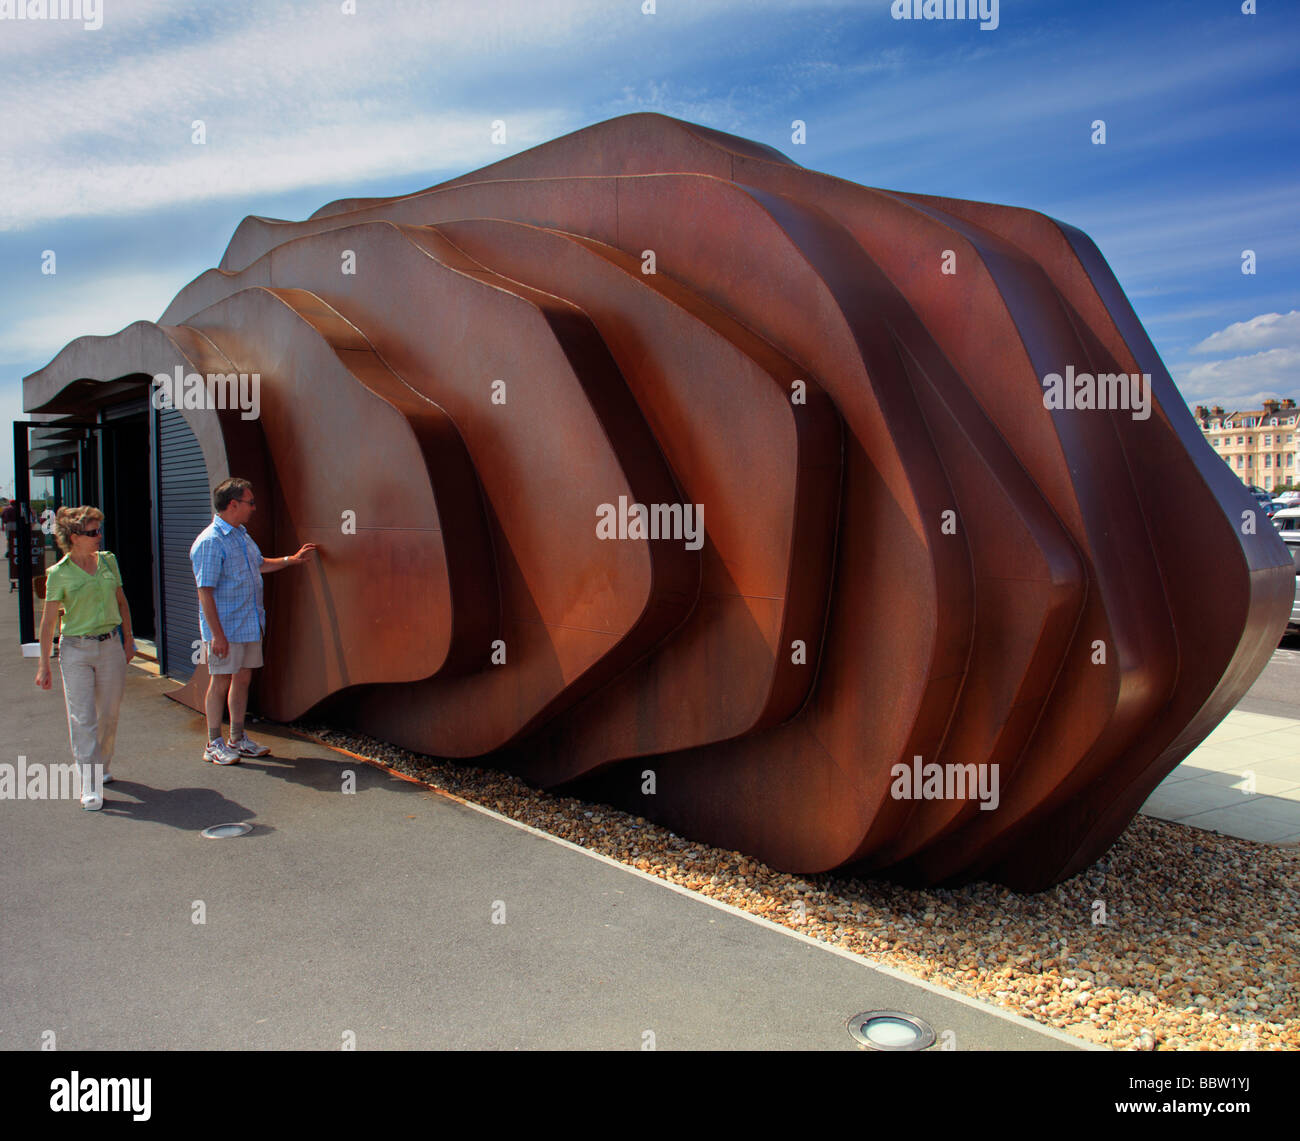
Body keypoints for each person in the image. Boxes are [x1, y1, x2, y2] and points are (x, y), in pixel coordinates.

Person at [189, 477, 317, 764]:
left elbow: (258, 564)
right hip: (226, 628)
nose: (254, 507)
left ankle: (237, 738)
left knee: (242, 679)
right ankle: (213, 743)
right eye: (250, 502)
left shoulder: (241, 534)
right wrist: (216, 635)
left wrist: (290, 560)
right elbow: (204, 593)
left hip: (248, 624)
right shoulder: (210, 542)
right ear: (233, 504)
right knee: (220, 680)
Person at [34, 506, 136, 811]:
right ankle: (89, 783)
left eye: (98, 530)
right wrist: (44, 664)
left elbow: (122, 601)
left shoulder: (108, 561)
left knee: (109, 713)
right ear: (74, 537)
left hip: (109, 646)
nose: (99, 536)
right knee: (82, 718)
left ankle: (101, 766)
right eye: (92, 532)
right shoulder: (58, 573)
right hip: (75, 650)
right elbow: (48, 621)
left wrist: (129, 639)